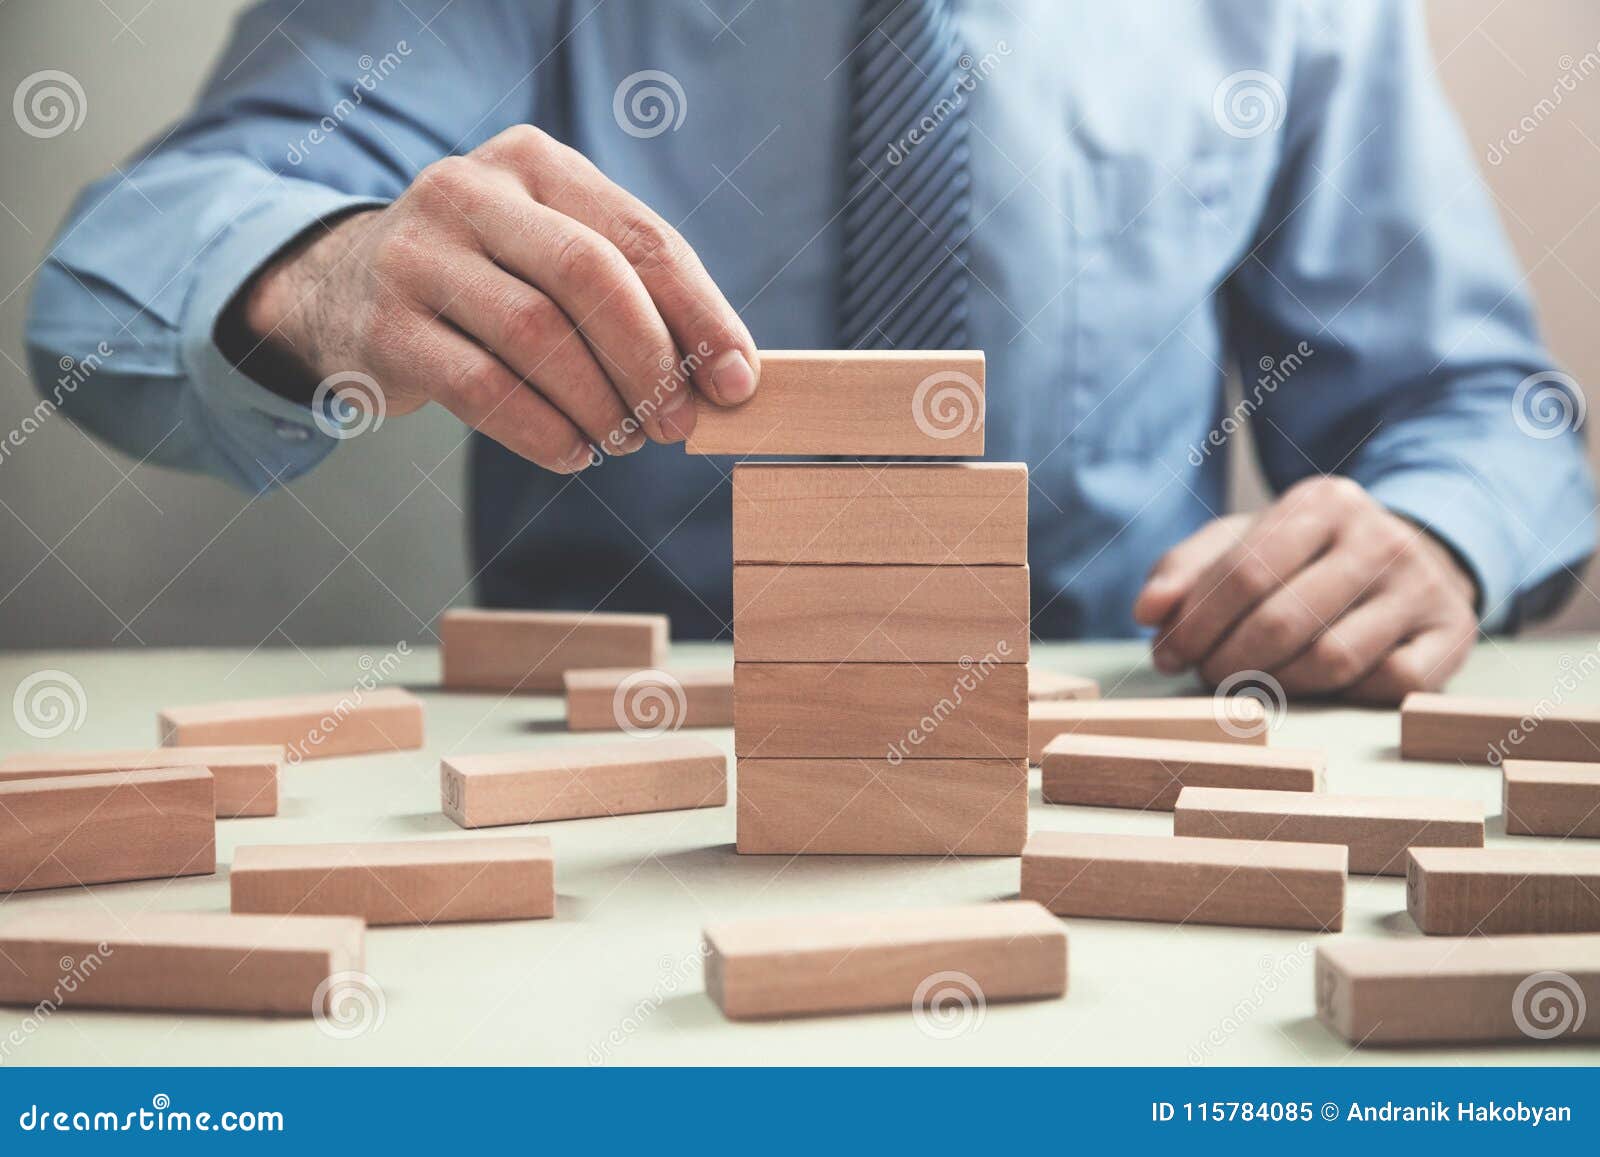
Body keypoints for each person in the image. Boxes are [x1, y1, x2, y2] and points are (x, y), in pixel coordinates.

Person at [26, 1, 1594, 703]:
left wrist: (1438, 533)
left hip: (1128, 739)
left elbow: (1479, 407)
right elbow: (119, 275)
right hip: (610, 771)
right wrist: (330, 269)